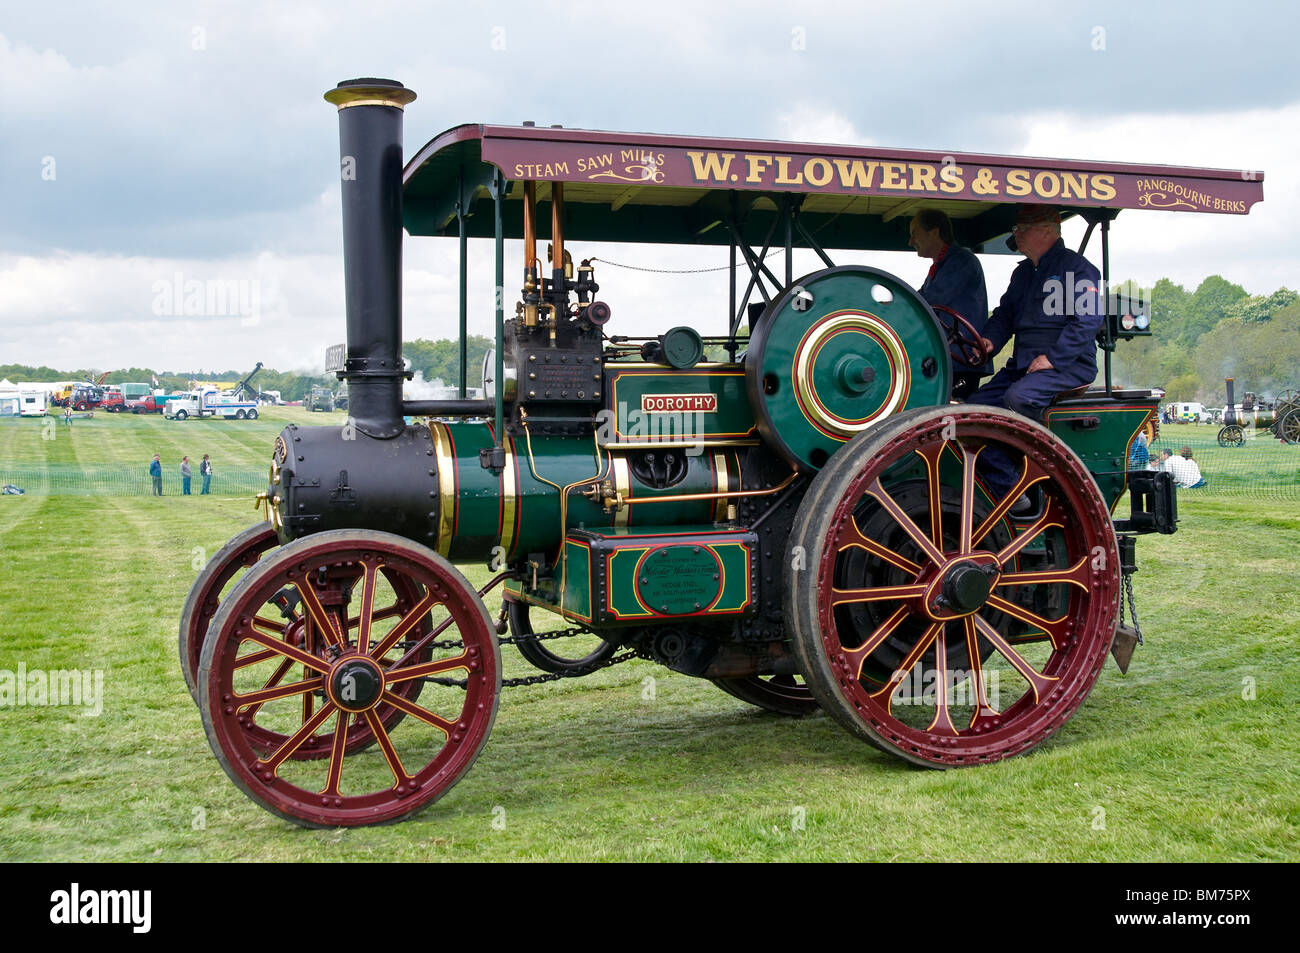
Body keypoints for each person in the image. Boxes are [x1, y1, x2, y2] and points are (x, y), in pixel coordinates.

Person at [909, 209, 990, 400]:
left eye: (914, 235)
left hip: (961, 361)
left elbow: (928, 301)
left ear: (935, 233)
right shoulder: (942, 266)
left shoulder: (961, 261)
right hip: (946, 360)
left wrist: (899, 306)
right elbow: (921, 297)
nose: (910, 242)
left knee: (948, 410)